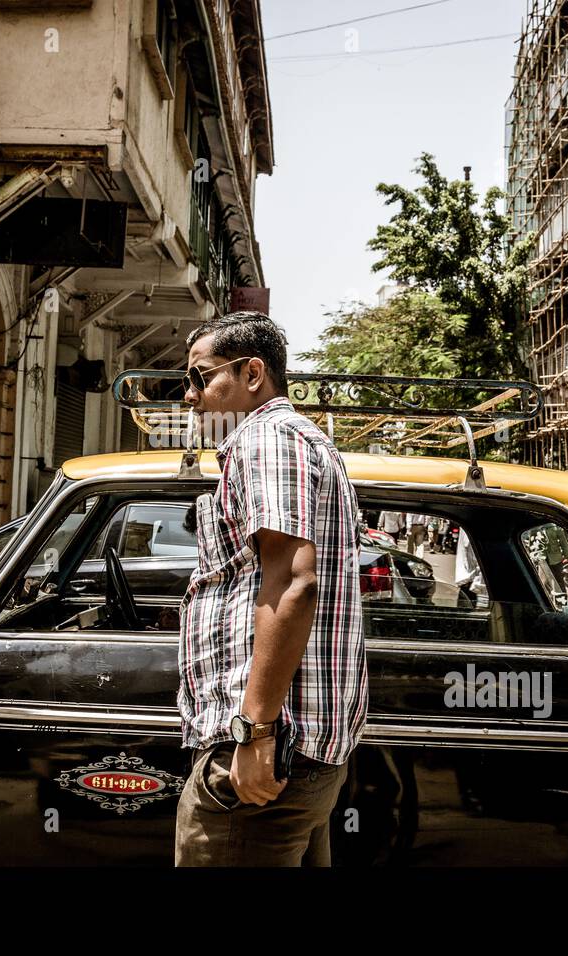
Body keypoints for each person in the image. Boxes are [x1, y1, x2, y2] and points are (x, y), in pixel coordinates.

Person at [174, 311, 368, 867]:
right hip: (289, 746)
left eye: (201, 377)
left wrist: (255, 731)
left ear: (252, 374)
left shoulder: (268, 439)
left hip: (272, 746)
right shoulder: (289, 439)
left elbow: (292, 584)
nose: (191, 396)